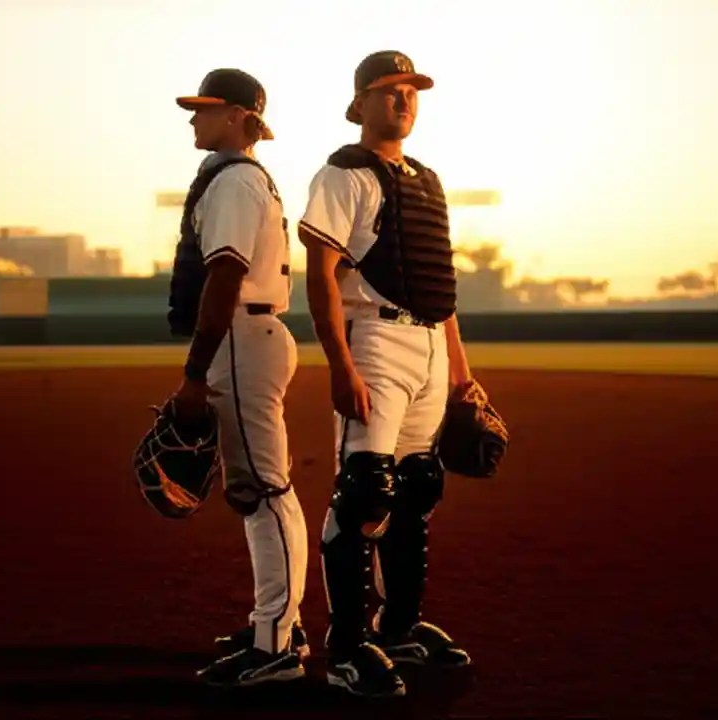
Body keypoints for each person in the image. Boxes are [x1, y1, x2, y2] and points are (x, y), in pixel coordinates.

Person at [297, 50, 476, 698]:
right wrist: (339, 361)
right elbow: (319, 272)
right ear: (361, 103)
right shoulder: (344, 173)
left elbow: (439, 289)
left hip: (430, 342)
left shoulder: (428, 181)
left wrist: (461, 374)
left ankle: (398, 625)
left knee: (418, 487)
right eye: (389, 90)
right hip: (373, 338)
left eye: (411, 90)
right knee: (366, 491)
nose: (404, 99)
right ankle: (347, 647)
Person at [165, 68, 310, 688]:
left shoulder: (233, 181)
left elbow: (224, 277)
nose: (193, 118)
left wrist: (194, 372)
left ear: (238, 119)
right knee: (260, 491)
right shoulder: (240, 179)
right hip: (251, 336)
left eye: (206, 108)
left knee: (265, 491)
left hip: (241, 338)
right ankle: (280, 626)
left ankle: (275, 643)